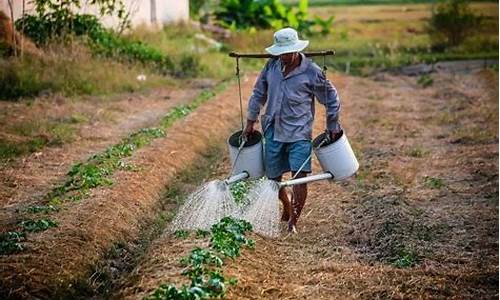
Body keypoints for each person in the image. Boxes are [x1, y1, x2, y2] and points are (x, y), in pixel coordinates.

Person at [243, 27, 342, 233]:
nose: (284, 56)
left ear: (297, 49)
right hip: (273, 130)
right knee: (273, 179)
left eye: (288, 52)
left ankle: (293, 222)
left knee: (300, 177)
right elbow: (258, 94)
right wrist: (250, 121)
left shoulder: (312, 72)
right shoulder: (271, 67)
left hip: (299, 132)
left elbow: (332, 99)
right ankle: (287, 206)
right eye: (281, 52)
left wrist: (332, 125)